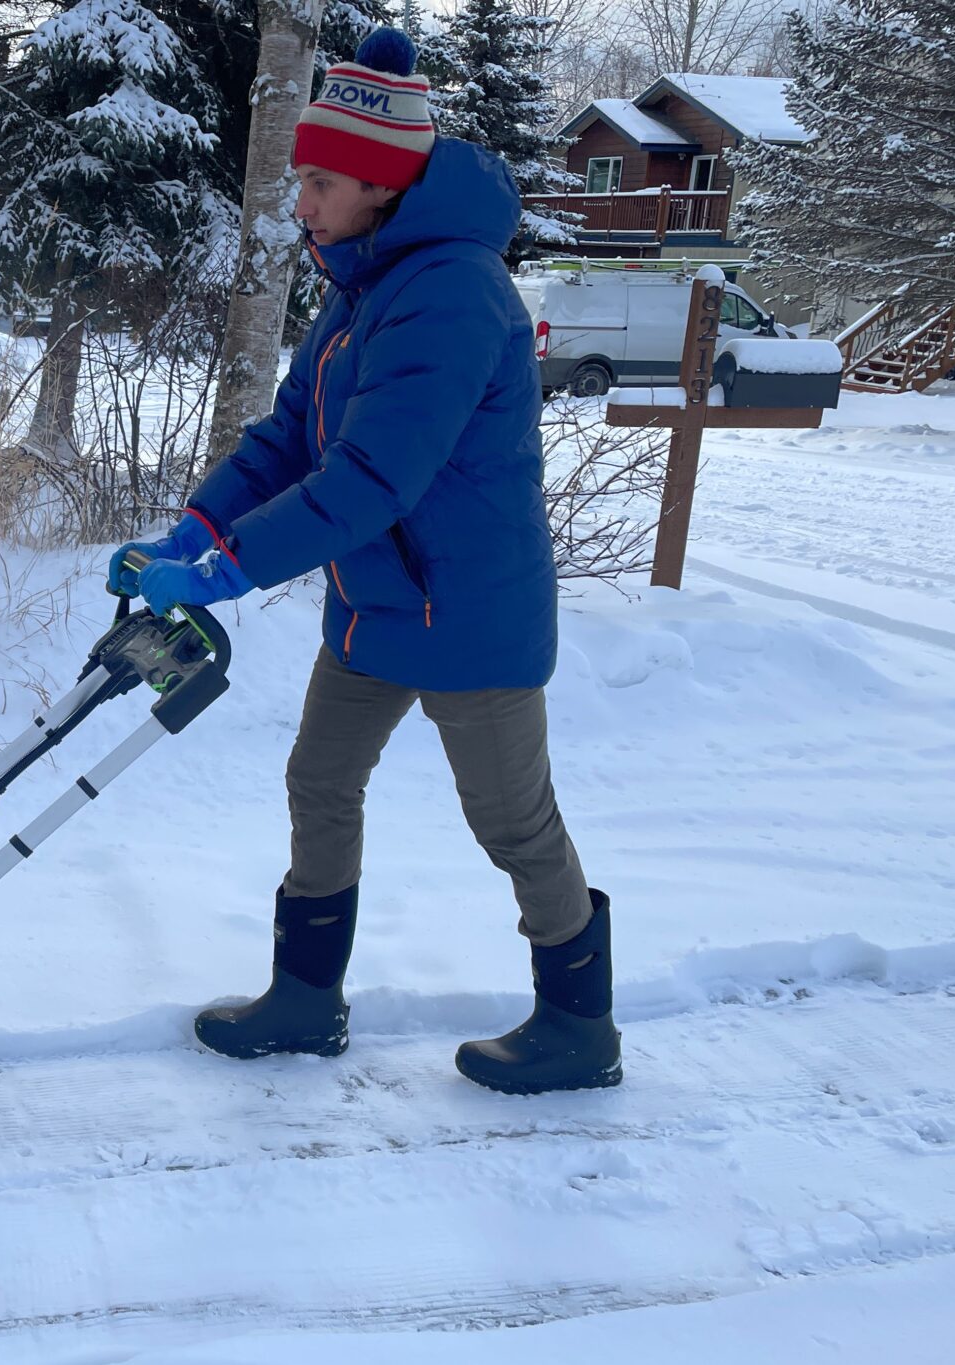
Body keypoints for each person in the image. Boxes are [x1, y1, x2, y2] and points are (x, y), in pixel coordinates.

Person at [110, 26, 618, 1095]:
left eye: (320, 182)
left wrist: (227, 571)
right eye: (301, 178)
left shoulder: (451, 293)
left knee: (513, 824)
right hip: (376, 604)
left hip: (467, 613)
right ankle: (305, 1000)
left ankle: (580, 1026)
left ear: (381, 187)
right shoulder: (359, 285)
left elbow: (371, 478)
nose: (299, 202)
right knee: (320, 779)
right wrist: (193, 531)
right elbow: (290, 436)